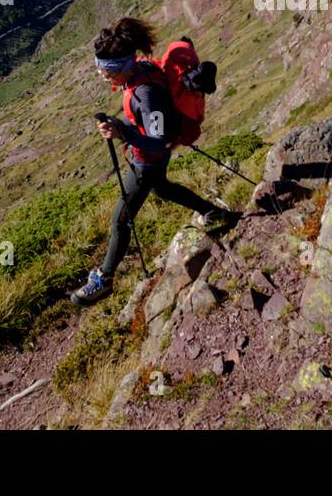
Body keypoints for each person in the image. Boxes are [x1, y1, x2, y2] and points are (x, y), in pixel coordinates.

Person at [71, 17, 237, 306]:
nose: (101, 75)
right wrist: (121, 125)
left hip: (148, 161)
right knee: (162, 189)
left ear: (122, 67)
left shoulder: (145, 93)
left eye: (105, 70)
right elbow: (147, 125)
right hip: (151, 158)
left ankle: (104, 279)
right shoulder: (141, 72)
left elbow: (157, 140)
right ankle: (212, 212)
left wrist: (122, 131)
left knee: (121, 221)